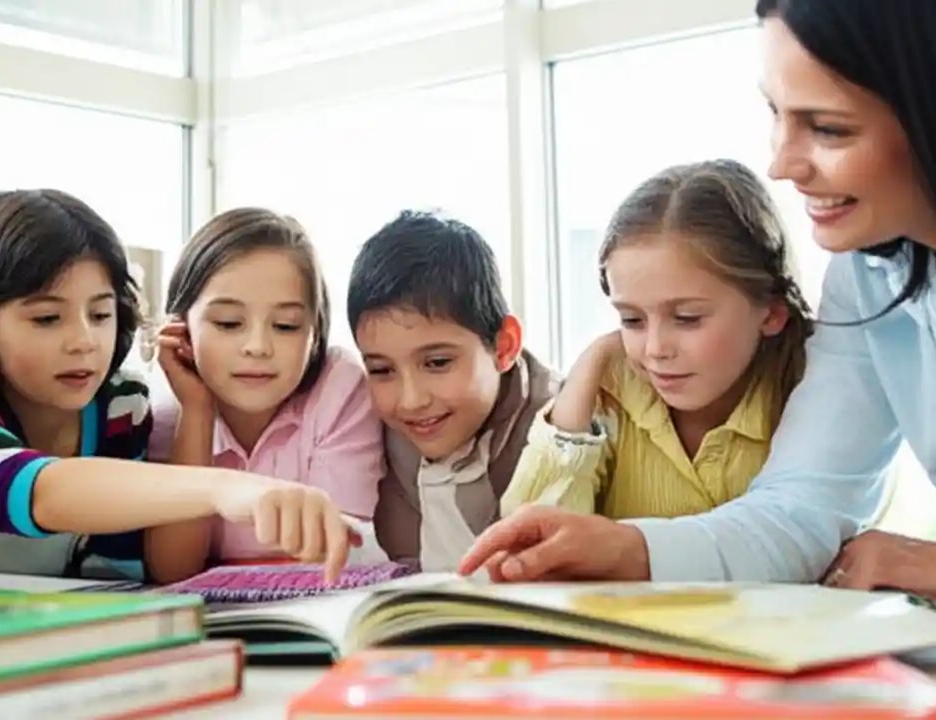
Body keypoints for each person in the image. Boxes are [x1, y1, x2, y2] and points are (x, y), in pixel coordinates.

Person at [460, 0, 936, 605]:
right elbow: (799, 509)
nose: (782, 163)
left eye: (829, 128)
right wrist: (628, 549)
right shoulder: (868, 279)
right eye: (777, 113)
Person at [0, 193, 359, 583]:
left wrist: (196, 409)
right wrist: (226, 487)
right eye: (47, 318)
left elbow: (133, 570)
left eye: (101, 314)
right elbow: (30, 491)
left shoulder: (119, 409)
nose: (84, 341)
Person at [501, 160, 812, 521]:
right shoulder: (610, 394)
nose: (654, 349)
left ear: (771, 313)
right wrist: (591, 362)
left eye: (687, 318)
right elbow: (526, 539)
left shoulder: (813, 400)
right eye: (630, 320)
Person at [148, 207, 385, 565]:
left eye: (286, 325)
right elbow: (173, 569)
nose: (258, 346)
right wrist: (196, 412)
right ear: (181, 329)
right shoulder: (165, 411)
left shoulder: (340, 390)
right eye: (229, 323)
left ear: (314, 333)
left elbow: (332, 553)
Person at [348, 210, 560, 571]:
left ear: (504, 346)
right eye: (382, 370)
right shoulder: (374, 441)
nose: (411, 400)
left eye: (437, 363)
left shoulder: (563, 428)